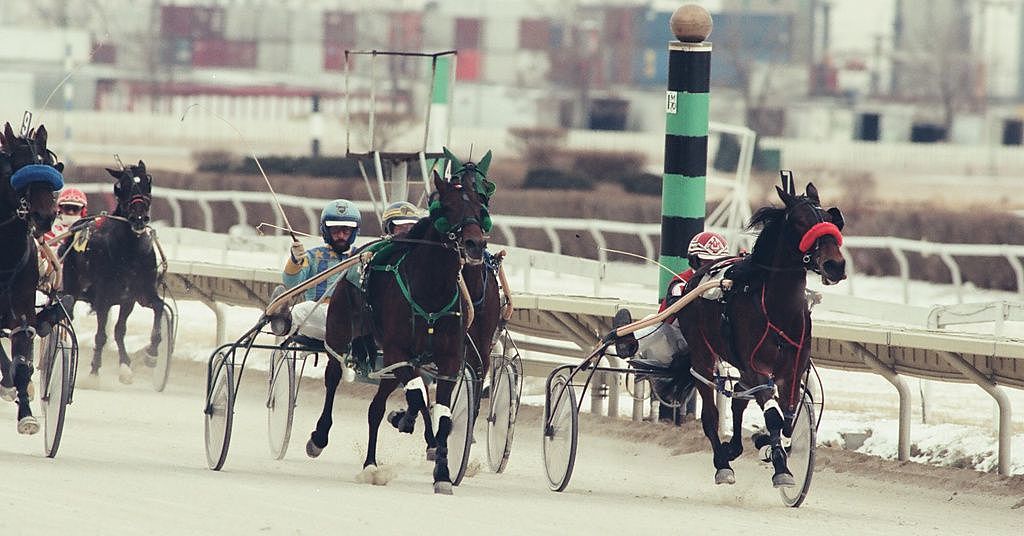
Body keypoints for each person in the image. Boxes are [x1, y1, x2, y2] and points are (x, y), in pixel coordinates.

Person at [268, 199, 361, 339]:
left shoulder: (362, 257)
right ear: (326, 231)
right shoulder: (312, 256)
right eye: (335, 230)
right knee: (303, 309)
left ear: (354, 231)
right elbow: (293, 284)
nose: (341, 235)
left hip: (354, 318)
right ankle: (283, 322)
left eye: (346, 230)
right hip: (321, 316)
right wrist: (295, 261)